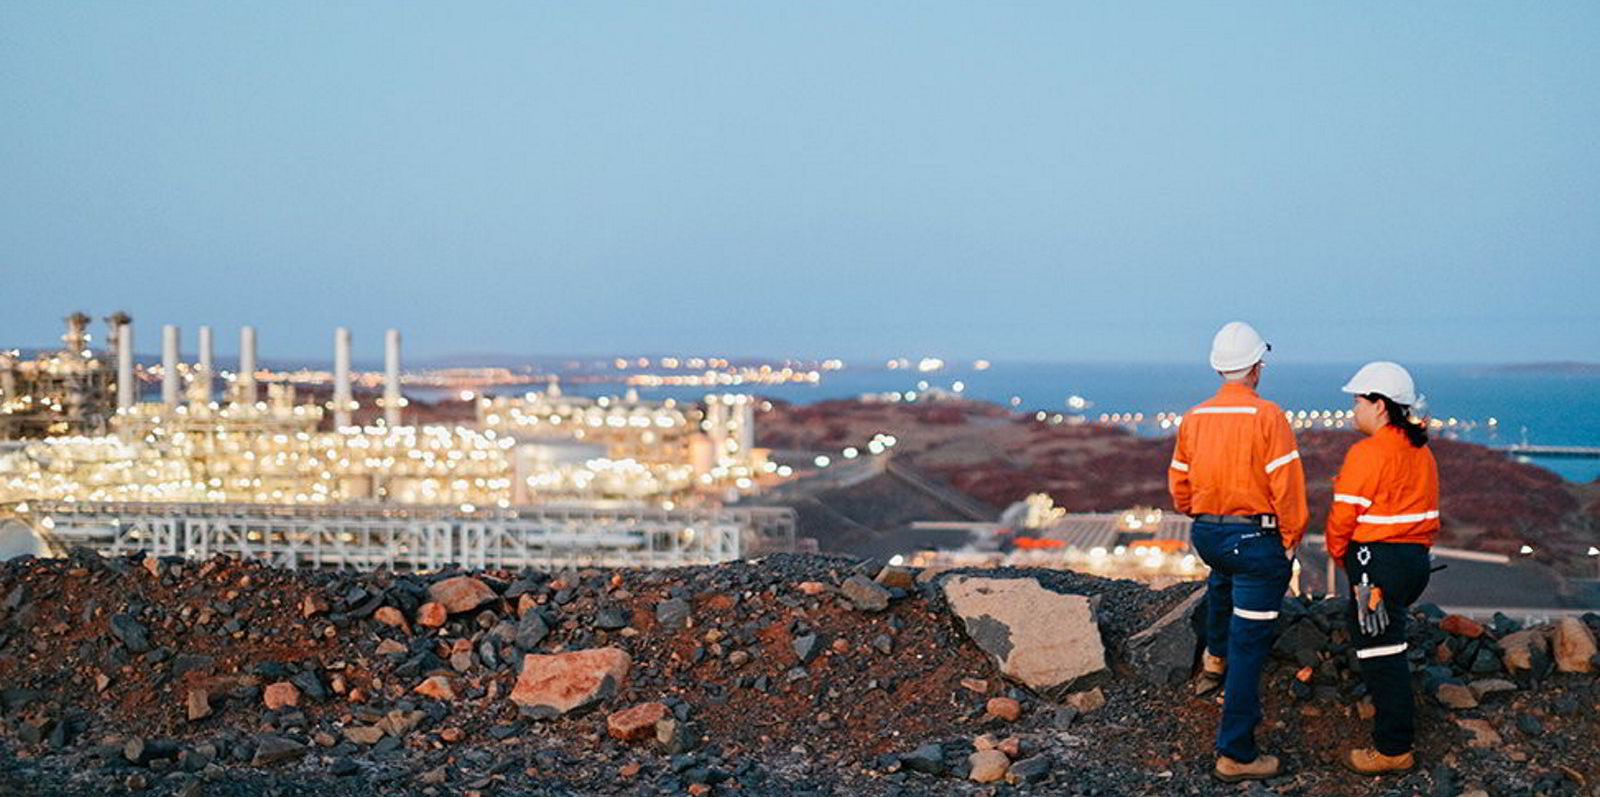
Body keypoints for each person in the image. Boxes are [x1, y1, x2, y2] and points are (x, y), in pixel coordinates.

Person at [1169, 321, 1308, 782]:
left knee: (1222, 577)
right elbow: (1287, 487)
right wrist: (1290, 538)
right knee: (1252, 644)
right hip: (1255, 539)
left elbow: (1180, 487)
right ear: (1255, 367)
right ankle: (1236, 753)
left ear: (1218, 367)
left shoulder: (1194, 417)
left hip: (1210, 535)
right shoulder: (1267, 416)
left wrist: (1202, 513)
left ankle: (1213, 659)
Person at [1327, 361, 1439, 775]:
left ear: (1379, 405)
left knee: (1381, 652)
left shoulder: (1368, 453)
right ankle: (1395, 739)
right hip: (1414, 562)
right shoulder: (1421, 450)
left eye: (1358, 400)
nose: (1352, 409)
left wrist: (1345, 561)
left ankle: (1393, 748)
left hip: (1378, 563)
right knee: (1390, 643)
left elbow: (1342, 519)